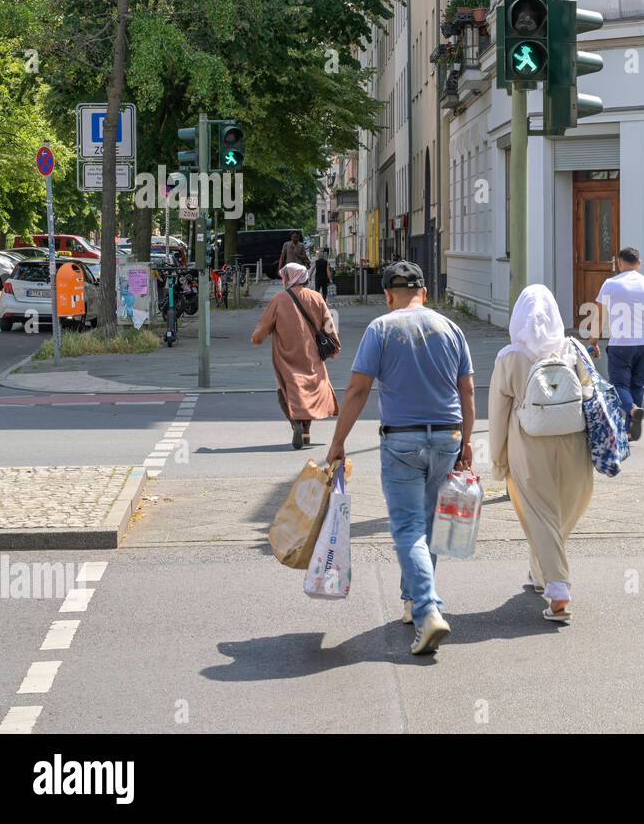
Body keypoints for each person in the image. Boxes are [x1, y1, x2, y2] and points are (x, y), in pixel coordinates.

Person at [326, 261, 474, 656]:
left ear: (388, 295)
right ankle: (412, 601)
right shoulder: (451, 329)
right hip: (448, 437)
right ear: (425, 292)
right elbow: (468, 391)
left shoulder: (382, 328)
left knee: (408, 529)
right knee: (429, 527)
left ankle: (428, 611)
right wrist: (468, 441)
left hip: (402, 442)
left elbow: (357, 390)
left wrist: (338, 442)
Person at [488, 285, 594, 623]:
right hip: (573, 440)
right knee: (561, 511)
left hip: (528, 443)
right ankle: (540, 572)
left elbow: (497, 414)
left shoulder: (509, 357)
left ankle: (559, 589)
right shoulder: (572, 349)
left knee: (538, 513)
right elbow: (590, 393)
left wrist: (497, 458)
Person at [251, 263, 340, 449]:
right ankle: (306, 430)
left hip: (285, 355)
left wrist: (256, 339)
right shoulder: (316, 297)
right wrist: (334, 345)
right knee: (311, 390)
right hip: (311, 354)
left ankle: (296, 423)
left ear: (289, 277)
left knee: (286, 390)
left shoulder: (279, 299)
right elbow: (329, 323)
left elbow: (263, 328)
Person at [589, 247, 644, 442]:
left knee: (619, 385)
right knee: (638, 385)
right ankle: (630, 429)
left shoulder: (610, 284)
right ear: (639, 264)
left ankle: (632, 410)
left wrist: (594, 342)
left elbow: (599, 317)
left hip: (621, 344)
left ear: (620, 263)